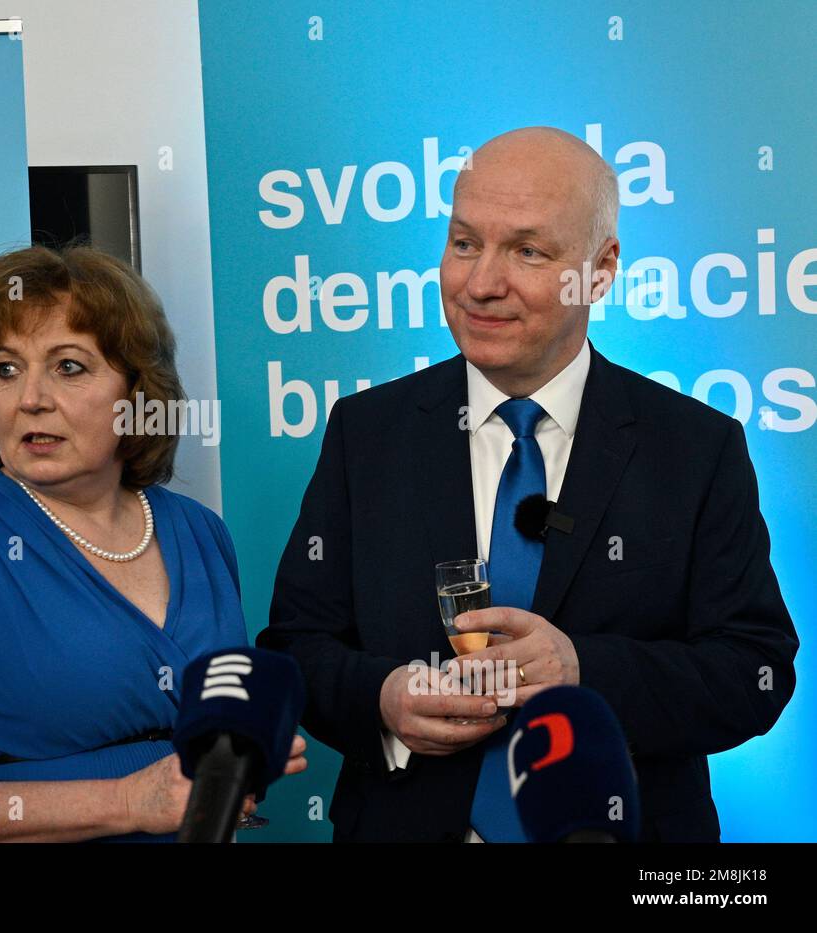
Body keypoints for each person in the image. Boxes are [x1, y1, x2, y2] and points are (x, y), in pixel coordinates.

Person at [259, 127, 798, 842]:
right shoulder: (368, 432)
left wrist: (582, 668)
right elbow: (296, 645)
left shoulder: (696, 448)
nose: (482, 282)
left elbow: (752, 670)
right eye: (463, 243)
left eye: (527, 251)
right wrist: (384, 700)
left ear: (600, 271)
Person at [0, 244, 306, 842]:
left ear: (138, 392)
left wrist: (240, 759)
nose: (30, 398)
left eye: (68, 367)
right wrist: (128, 800)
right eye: (6, 368)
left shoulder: (199, 531)